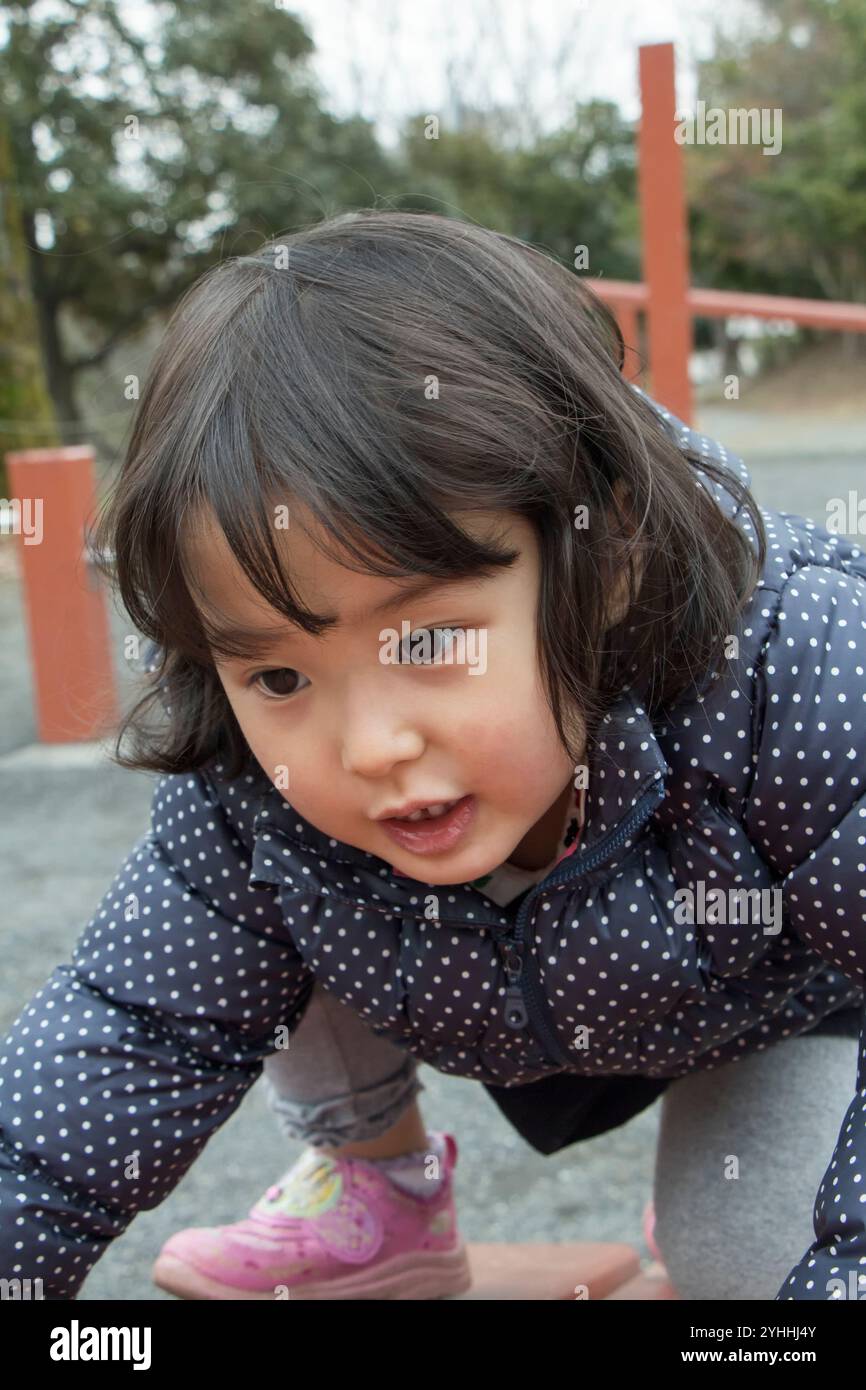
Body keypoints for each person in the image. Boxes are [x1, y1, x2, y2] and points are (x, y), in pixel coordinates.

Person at [1, 210, 863, 1302]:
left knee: (750, 1251)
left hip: (773, 994)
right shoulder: (256, 775)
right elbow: (123, 1036)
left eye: (429, 639)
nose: (372, 745)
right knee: (245, 887)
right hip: (485, 977)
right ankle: (381, 1182)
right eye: (277, 675)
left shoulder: (803, 667)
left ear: (600, 557)